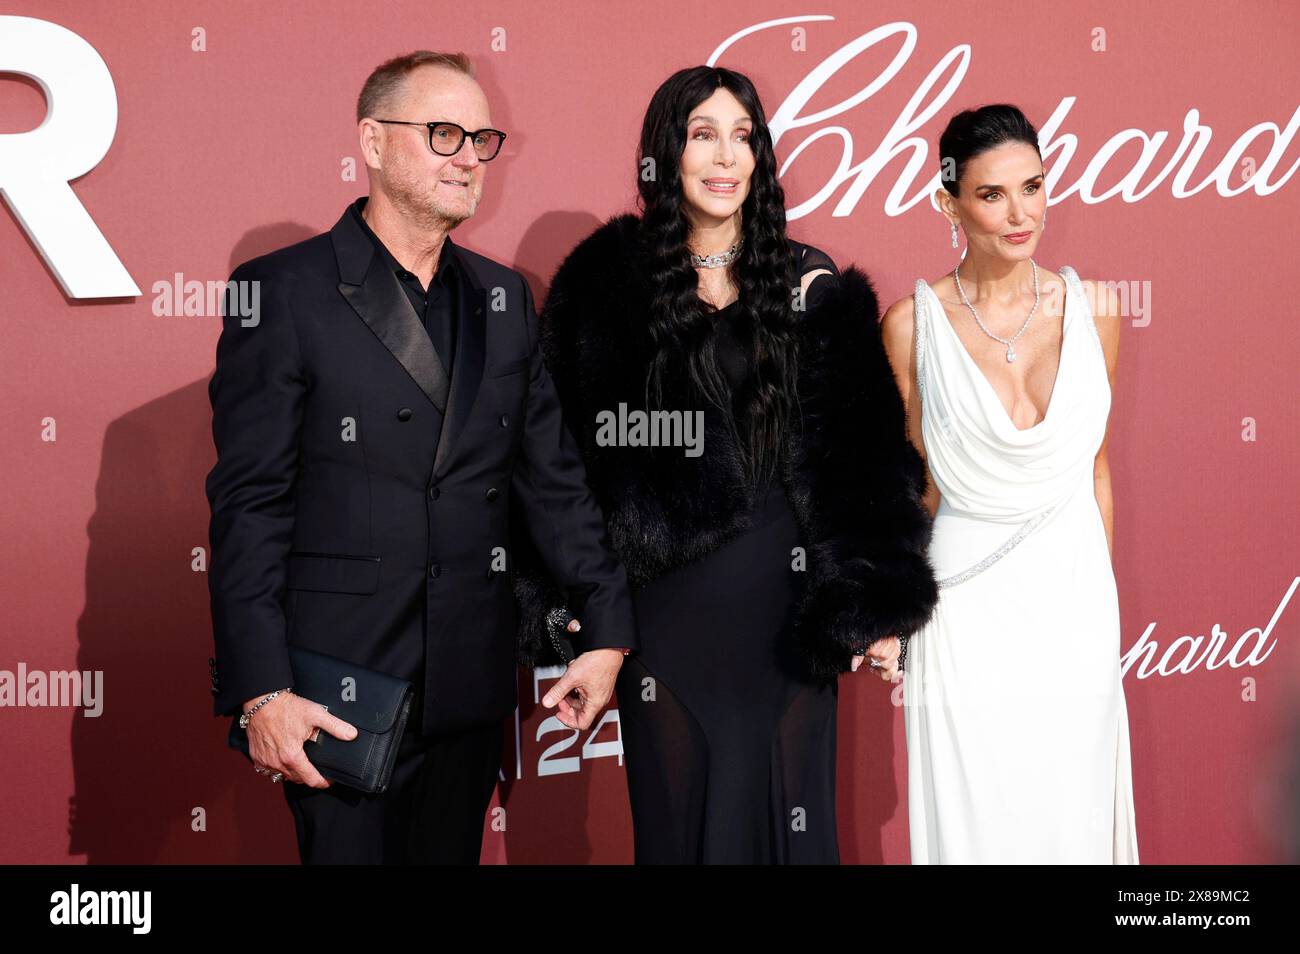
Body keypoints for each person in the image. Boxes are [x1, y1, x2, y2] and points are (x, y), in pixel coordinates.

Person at [205, 50, 636, 864]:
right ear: (372, 141)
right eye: (443, 133)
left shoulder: (504, 298)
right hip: (336, 692)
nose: (469, 156)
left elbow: (552, 482)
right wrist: (261, 692)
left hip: (467, 687)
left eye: (482, 138)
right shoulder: (285, 292)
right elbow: (249, 506)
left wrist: (606, 628)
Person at [512, 66, 938, 864]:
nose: (725, 156)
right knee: (682, 834)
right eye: (702, 134)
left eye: (742, 137)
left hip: (785, 612)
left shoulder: (811, 285)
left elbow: (866, 464)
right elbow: (564, 463)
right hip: (665, 615)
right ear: (665, 153)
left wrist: (872, 594)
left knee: (792, 828)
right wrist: (577, 614)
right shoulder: (606, 284)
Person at [880, 103, 1139, 863]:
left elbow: (1096, 467)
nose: (1020, 213)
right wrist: (894, 602)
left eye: (1033, 186)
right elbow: (917, 485)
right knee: (979, 822)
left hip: (1075, 606)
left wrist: (1100, 602)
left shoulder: (1097, 308)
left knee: (1075, 817)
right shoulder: (909, 325)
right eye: (992, 195)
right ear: (949, 203)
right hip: (962, 610)